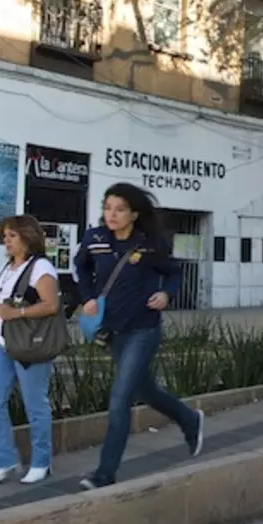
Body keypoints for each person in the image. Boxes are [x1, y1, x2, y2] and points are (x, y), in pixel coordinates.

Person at [72, 182, 205, 490]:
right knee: (146, 391)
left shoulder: (149, 244)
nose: (111, 215)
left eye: (119, 210)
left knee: (120, 399)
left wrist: (166, 295)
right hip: (113, 330)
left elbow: (173, 272)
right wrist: (87, 297)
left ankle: (104, 474)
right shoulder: (95, 239)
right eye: (107, 208)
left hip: (144, 328)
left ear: (133, 214)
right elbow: (81, 271)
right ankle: (189, 419)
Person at [0, 215, 60, 486]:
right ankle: (5, 460)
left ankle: (41, 462)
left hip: (31, 348)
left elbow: (51, 305)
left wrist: (18, 313)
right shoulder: (9, 268)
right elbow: (0, 308)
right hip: (4, 346)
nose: (6, 241)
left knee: (35, 405)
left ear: (27, 236)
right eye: (4, 236)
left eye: (12, 236)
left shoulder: (41, 268)